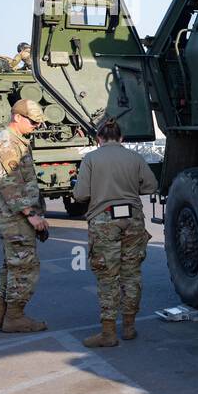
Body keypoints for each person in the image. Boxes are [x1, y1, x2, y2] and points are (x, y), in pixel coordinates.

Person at [71, 118, 157, 348]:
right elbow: (151, 186)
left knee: (107, 276)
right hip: (133, 220)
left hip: (104, 220)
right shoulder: (134, 157)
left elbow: (80, 195)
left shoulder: (91, 159)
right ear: (121, 138)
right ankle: (129, 326)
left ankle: (108, 332)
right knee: (131, 274)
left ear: (98, 138)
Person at [0, 99, 49, 333]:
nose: (36, 126)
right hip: (14, 216)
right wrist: (31, 214)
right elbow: (8, 184)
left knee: (12, 265)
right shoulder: (8, 144)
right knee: (24, 266)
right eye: (33, 122)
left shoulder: (14, 140)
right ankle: (14, 317)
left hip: (12, 214)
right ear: (18, 118)